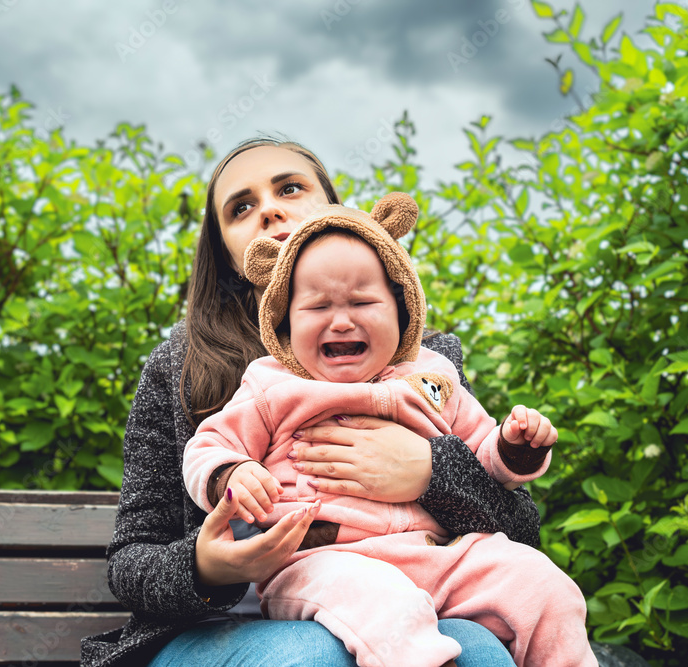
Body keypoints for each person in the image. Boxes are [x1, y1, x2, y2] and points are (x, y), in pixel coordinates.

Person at [80, 138, 545, 667]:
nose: (269, 208)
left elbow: (521, 530)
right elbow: (132, 559)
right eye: (241, 206)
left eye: (289, 187)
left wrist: (430, 472)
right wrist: (207, 566)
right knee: (314, 653)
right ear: (235, 256)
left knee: (481, 652)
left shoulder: (423, 360)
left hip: (407, 602)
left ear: (338, 214)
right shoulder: (180, 366)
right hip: (217, 629)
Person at [182, 192, 598, 667]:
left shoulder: (433, 377)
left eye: (363, 301)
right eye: (316, 308)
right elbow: (210, 445)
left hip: (439, 553)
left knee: (541, 584)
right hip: (324, 563)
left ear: (402, 312)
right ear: (283, 323)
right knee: (390, 611)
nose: (341, 320)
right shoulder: (271, 385)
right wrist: (230, 474)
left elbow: (480, 455)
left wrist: (512, 446)